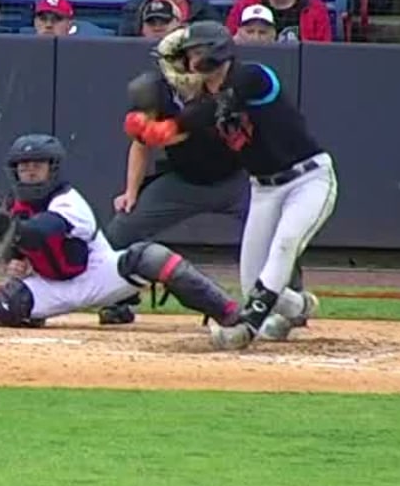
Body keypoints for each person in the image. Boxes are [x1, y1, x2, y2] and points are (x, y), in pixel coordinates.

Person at [131, 21, 333, 343]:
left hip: (308, 179)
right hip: (264, 189)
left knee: (285, 244)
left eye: (197, 53)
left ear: (215, 51)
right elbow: (189, 123)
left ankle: (247, 325)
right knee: (255, 283)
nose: (191, 62)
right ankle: (300, 306)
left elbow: (216, 106)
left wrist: (169, 126)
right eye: (189, 55)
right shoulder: (203, 102)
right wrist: (151, 130)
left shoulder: (252, 76)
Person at [0, 133, 252, 351]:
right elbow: (21, 242)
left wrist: (9, 232)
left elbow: (44, 230)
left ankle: (229, 313)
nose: (31, 172)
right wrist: (15, 259)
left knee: (153, 258)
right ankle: (33, 313)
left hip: (99, 276)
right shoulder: (13, 206)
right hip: (50, 286)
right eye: (24, 168)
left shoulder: (69, 201)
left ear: (52, 169)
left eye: (38, 166)